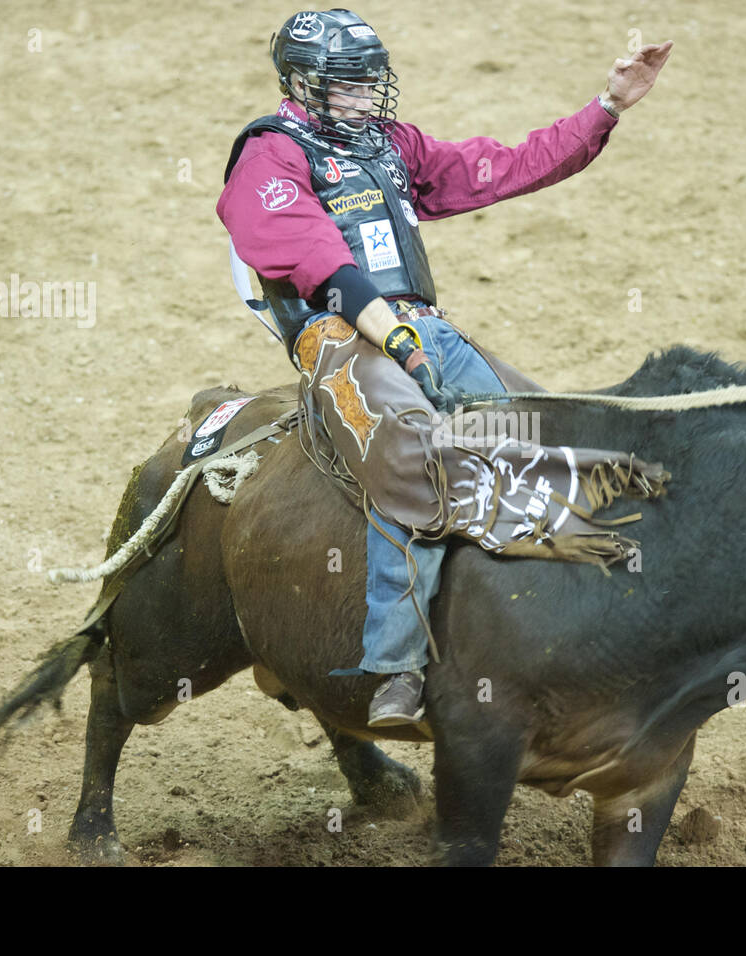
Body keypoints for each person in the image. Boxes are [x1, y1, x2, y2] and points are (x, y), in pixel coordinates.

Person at [217, 8, 671, 727]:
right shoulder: (268, 156)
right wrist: (389, 336)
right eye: (351, 83)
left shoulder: (391, 145)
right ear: (302, 84)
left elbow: (504, 166)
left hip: (422, 329)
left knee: (544, 423)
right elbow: (314, 259)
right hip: (339, 337)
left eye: (374, 81)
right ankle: (394, 663)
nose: (369, 95)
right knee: (407, 449)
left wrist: (608, 105)